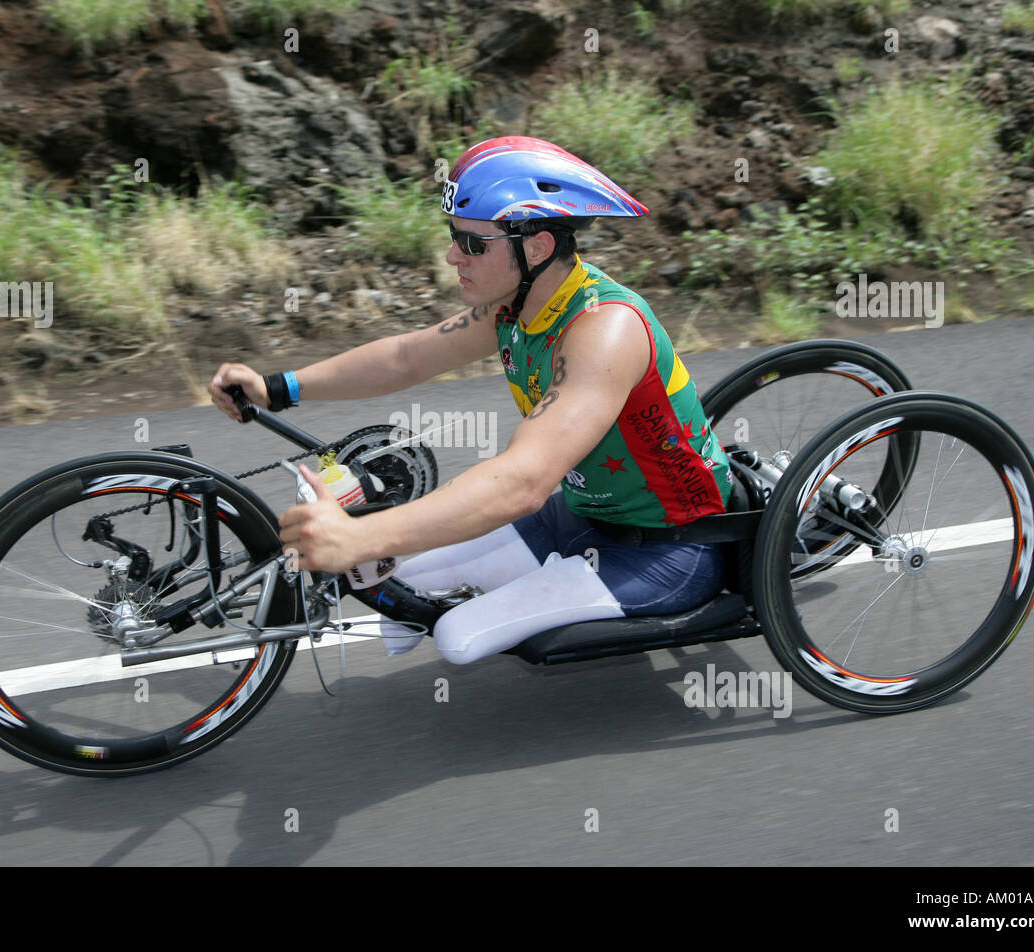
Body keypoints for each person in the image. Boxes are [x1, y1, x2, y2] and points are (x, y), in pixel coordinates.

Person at [208, 136, 731, 664]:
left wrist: (360, 538)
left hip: (667, 549)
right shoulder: (515, 306)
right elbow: (406, 358)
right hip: (576, 517)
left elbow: (525, 481)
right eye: (452, 236)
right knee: (400, 602)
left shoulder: (606, 328)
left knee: (457, 637)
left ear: (538, 247)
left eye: (473, 243)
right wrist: (279, 387)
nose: (452, 255)